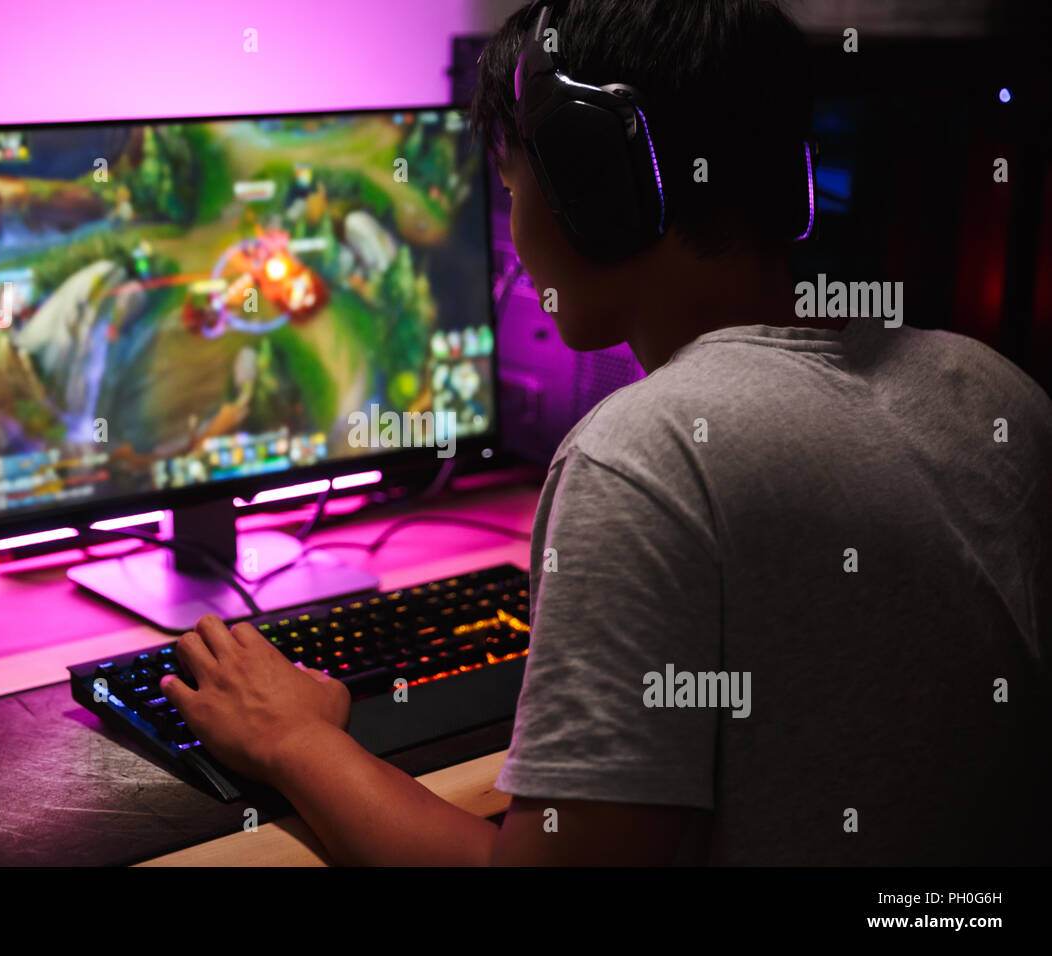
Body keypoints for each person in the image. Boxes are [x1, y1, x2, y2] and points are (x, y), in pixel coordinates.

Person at [160, 0, 1052, 865]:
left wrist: (293, 740)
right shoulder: (996, 391)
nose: (511, 233)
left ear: (592, 183)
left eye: (512, 187)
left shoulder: (643, 457)